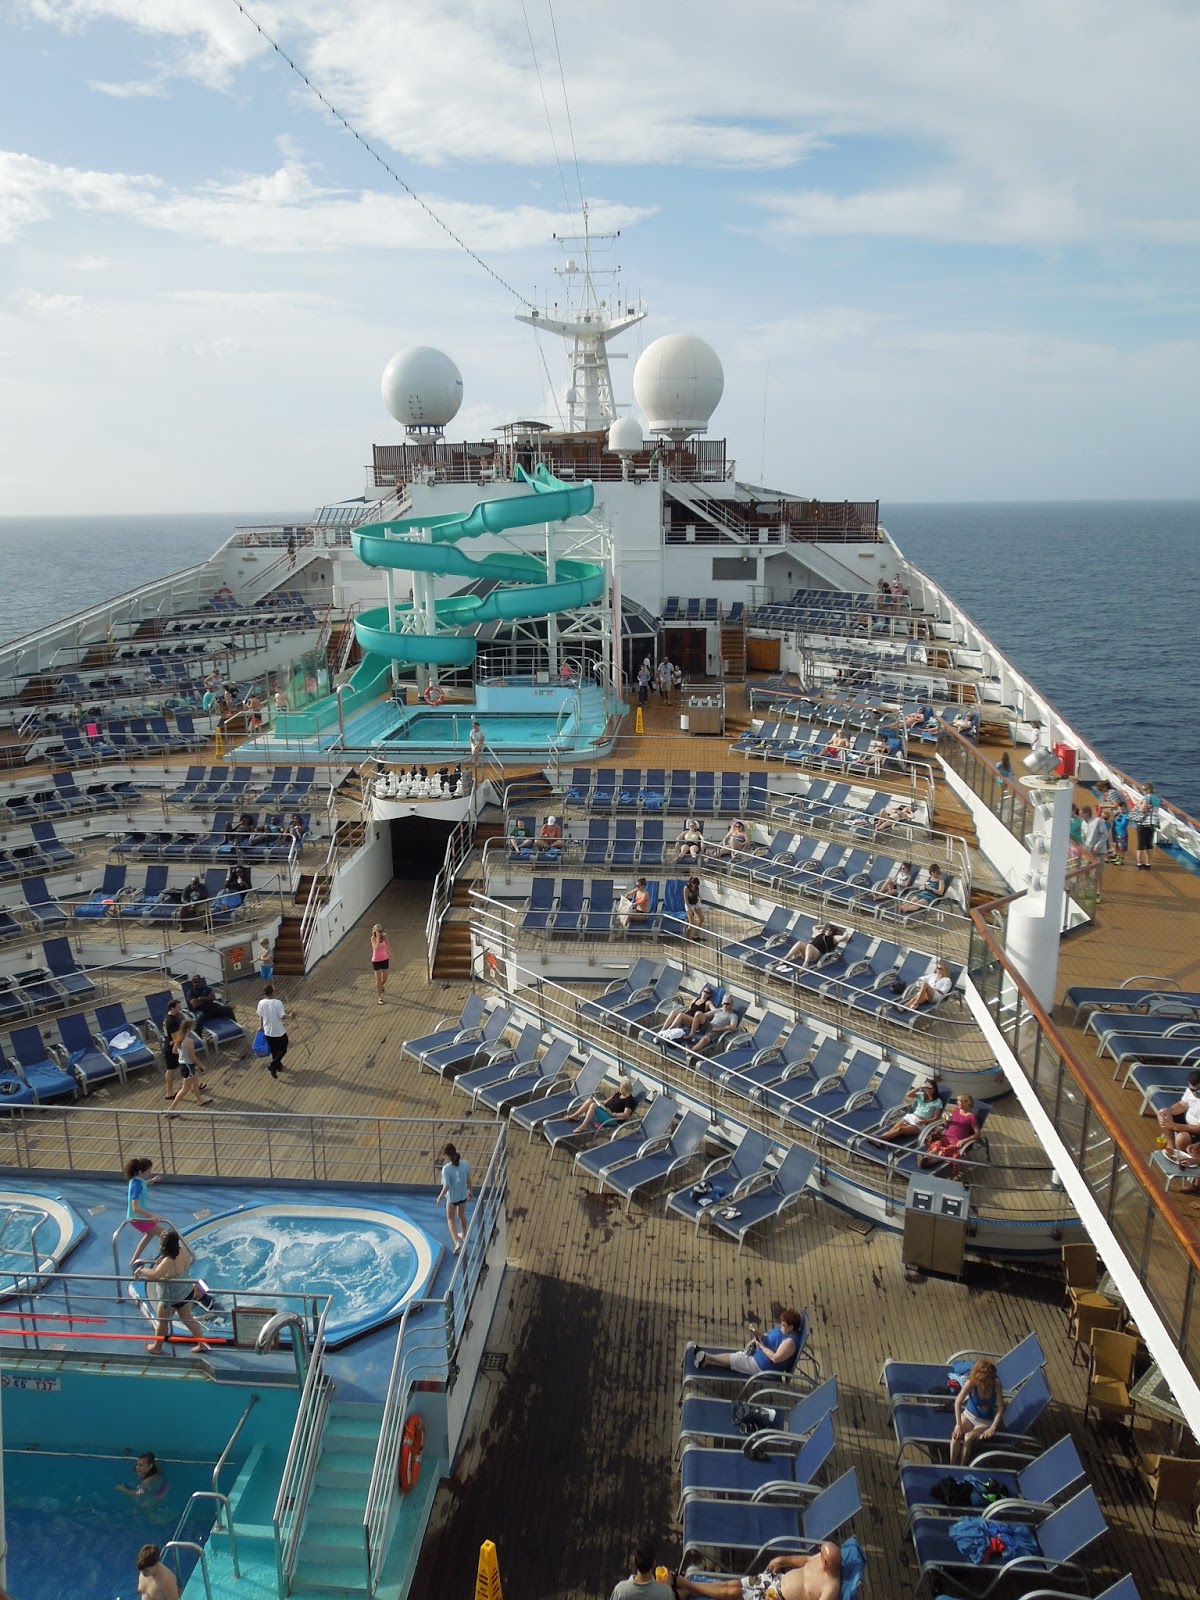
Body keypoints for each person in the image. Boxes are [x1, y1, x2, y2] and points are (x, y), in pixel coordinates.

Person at [135, 1230, 210, 1356]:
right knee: (188, 1319)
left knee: (162, 1322)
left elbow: (156, 1274)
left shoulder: (168, 1260)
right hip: (186, 1292)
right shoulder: (183, 1251)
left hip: (170, 1298)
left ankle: (157, 1347)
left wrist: (141, 1270)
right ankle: (202, 1344)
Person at [673, 1545, 841, 1600]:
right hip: (773, 1579)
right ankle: (691, 1590)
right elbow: (805, 1560)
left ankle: (686, 1585)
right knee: (733, 1585)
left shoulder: (830, 1587)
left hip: (776, 1598)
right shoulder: (820, 1558)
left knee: (734, 1592)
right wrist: (782, 1560)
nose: (818, 1555)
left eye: (822, 1556)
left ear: (828, 1563)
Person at [690, 1307, 805, 1376]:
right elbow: (771, 1338)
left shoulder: (790, 1343)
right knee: (737, 1358)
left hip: (762, 1366)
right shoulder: (785, 1331)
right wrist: (759, 1334)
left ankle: (706, 1356)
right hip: (758, 1355)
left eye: (784, 1325)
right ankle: (706, 1362)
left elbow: (776, 1358)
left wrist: (761, 1346)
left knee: (737, 1359)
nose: (781, 1326)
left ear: (791, 1327)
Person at [950, 1357, 1005, 1464]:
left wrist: (993, 1428)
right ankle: (951, 1464)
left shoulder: (996, 1385)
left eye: (989, 1381)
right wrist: (959, 1425)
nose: (986, 1385)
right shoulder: (971, 1383)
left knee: (968, 1437)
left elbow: (1000, 1408)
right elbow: (958, 1402)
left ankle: (962, 1466)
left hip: (984, 1422)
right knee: (956, 1436)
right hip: (969, 1415)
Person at [919, 1094, 981, 1172]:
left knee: (942, 1152)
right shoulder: (956, 1111)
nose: (957, 1102)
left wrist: (964, 1141)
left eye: (959, 1101)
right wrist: (946, 1121)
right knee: (936, 1146)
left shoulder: (972, 1117)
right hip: (947, 1136)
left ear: (966, 1102)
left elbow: (978, 1134)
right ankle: (925, 1159)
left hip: (957, 1141)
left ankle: (929, 1162)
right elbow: (948, 1126)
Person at [874, 1079, 943, 1143]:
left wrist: (924, 1121)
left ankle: (879, 1139)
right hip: (911, 1117)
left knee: (900, 1130)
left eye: (931, 1088)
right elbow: (908, 1095)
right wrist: (920, 1087)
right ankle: (879, 1141)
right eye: (927, 1088)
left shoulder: (938, 1101)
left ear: (934, 1089)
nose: (929, 1090)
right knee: (894, 1129)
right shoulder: (921, 1095)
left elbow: (936, 1118)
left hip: (920, 1123)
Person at [167, 1019, 212, 1112]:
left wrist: (182, 1052)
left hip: (183, 1064)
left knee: (195, 1082)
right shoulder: (188, 1041)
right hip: (188, 1065)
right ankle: (172, 1108)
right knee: (185, 1088)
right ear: (189, 1028)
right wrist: (201, 1066)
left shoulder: (179, 1038)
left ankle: (199, 1100)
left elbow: (174, 1051)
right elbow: (192, 1057)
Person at [125, 1157, 164, 1263]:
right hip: (137, 1218)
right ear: (140, 1172)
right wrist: (152, 1215)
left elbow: (143, 1184)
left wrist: (152, 1181)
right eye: (148, 1172)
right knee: (164, 1235)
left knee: (150, 1234)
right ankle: (166, 1258)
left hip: (138, 1217)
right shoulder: (135, 1185)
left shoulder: (138, 1180)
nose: (150, 1173)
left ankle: (134, 1260)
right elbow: (135, 1207)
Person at [436, 1142, 471, 1254]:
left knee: (450, 1218)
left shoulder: (446, 1169)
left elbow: (447, 1186)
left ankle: (456, 1243)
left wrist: (440, 1197)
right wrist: (471, 1190)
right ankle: (464, 1235)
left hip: (452, 1198)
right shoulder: (465, 1164)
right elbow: (469, 1179)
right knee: (461, 1214)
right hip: (463, 1195)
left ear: (447, 1156)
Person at [564, 1077, 637, 1130]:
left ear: (626, 1090)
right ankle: (575, 1115)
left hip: (613, 1119)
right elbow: (608, 1100)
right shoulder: (619, 1093)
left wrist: (613, 1114)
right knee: (590, 1101)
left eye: (621, 1088)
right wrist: (601, 1104)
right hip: (606, 1112)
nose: (620, 1089)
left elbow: (626, 1115)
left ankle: (583, 1126)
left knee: (593, 1105)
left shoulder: (629, 1100)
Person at [1156, 1069, 1200, 1154]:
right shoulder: (1192, 1091)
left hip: (1197, 1132)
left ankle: (1181, 1155)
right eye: (1192, 1090)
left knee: (1182, 1138)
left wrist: (1174, 1126)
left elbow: (1198, 1128)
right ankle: (1171, 1147)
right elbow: (1182, 1105)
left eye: (1198, 1091)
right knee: (1164, 1114)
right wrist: (1168, 1111)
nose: (1195, 1094)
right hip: (1187, 1122)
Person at [609, 1543, 674, 1600]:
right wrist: (668, 1588)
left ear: (634, 1561)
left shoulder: (621, 1591)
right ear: (654, 1563)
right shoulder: (665, 1593)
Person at [774, 922, 845, 972]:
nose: (828, 931)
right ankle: (786, 958)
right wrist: (825, 926)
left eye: (830, 931)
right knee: (800, 943)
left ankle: (805, 964)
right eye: (827, 929)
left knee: (809, 945)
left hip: (818, 955)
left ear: (833, 932)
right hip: (809, 951)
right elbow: (814, 927)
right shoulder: (820, 933)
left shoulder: (833, 938)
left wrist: (846, 932)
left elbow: (844, 937)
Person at [256, 983, 289, 1079]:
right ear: (272, 992)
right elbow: (282, 1016)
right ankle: (274, 1065)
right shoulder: (277, 1003)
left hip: (268, 1032)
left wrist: (261, 1026)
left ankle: (278, 1066)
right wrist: (291, 1016)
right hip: (278, 1031)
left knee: (274, 1050)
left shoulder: (261, 1003)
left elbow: (261, 1015)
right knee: (283, 1048)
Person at [160, 997, 185, 1100]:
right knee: (174, 1069)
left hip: (169, 1045)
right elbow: (176, 1038)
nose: (180, 1008)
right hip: (173, 1047)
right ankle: (169, 1091)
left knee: (175, 1069)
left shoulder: (168, 1017)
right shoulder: (172, 1021)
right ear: (172, 1008)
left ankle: (194, 1085)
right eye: (178, 1007)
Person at [1131, 781, 1160, 869]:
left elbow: (1143, 809)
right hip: (1152, 823)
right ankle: (1148, 863)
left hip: (1144, 823)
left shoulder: (1146, 797)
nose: (1143, 791)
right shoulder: (1157, 798)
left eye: (1144, 789)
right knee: (1149, 844)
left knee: (1141, 844)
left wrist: (1139, 806)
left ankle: (1139, 864)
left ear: (1149, 789)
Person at [369, 923, 390, 1003]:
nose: (379, 933)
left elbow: (387, 945)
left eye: (380, 931)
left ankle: (381, 986)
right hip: (376, 960)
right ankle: (379, 997)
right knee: (378, 979)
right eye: (378, 931)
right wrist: (377, 938)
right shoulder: (373, 938)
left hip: (384, 958)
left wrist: (389, 953)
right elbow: (376, 948)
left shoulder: (384, 937)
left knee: (385, 978)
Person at [683, 874, 705, 940]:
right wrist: (689, 909)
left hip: (696, 903)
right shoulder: (686, 888)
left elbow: (697, 893)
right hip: (689, 904)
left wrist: (700, 898)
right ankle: (689, 938)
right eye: (694, 885)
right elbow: (685, 899)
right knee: (691, 922)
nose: (695, 886)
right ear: (692, 883)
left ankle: (696, 934)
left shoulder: (696, 887)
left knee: (702, 919)